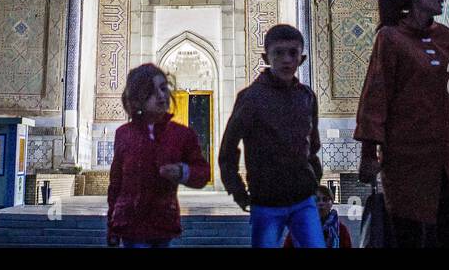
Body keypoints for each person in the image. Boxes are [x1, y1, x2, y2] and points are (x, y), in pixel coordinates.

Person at [355, 0, 449, 247]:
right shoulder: (390, 38)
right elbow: (376, 95)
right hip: (407, 160)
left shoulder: (446, 37)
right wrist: (368, 153)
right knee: (411, 237)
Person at [219, 23, 326, 248]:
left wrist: (313, 180)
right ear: (266, 57)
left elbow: (312, 145)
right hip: (266, 200)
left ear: (301, 58)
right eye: (279, 53)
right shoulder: (251, 98)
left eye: (292, 53)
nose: (286, 60)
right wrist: (238, 191)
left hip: (302, 197)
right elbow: (228, 149)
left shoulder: (306, 97)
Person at [106, 63, 210, 248]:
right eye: (152, 92)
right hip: (131, 223)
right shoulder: (124, 134)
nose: (162, 96)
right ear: (137, 99)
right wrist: (112, 226)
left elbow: (202, 173)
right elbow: (116, 182)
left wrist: (182, 172)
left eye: (163, 88)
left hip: (163, 222)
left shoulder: (181, 134)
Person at [283, 185, 353, 248]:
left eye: (325, 199)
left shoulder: (341, 230)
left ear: (331, 203)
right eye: (316, 200)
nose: (321, 203)